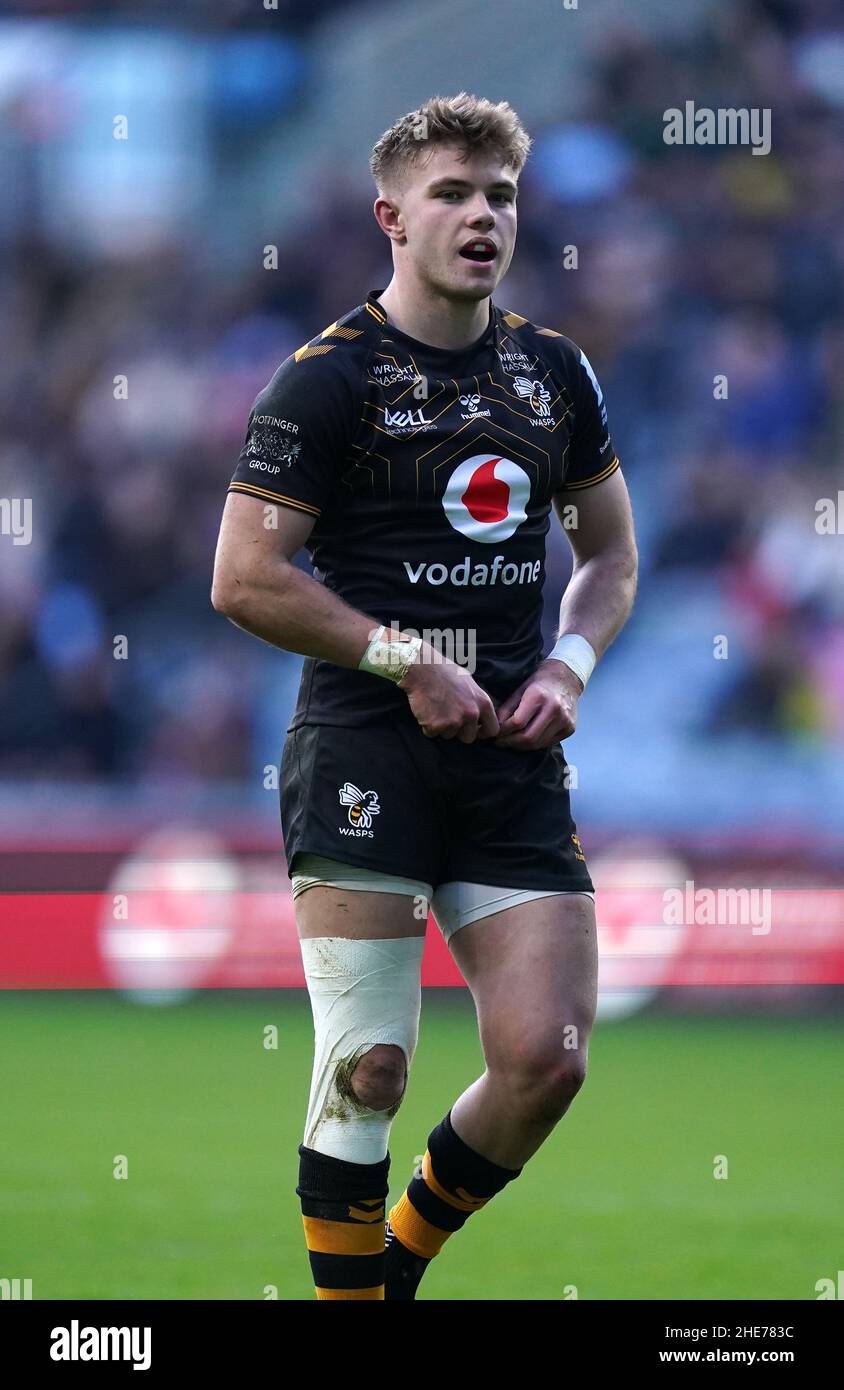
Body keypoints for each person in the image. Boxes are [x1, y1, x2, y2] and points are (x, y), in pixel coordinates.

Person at [212, 92, 638, 1301]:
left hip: (507, 753)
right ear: (391, 216)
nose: (481, 216)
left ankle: (389, 1270)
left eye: (499, 194)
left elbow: (609, 555)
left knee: (546, 1060)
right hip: (365, 744)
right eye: (452, 193)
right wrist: (407, 659)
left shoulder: (556, 373)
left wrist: (568, 665)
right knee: (372, 1066)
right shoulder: (324, 383)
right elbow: (243, 577)